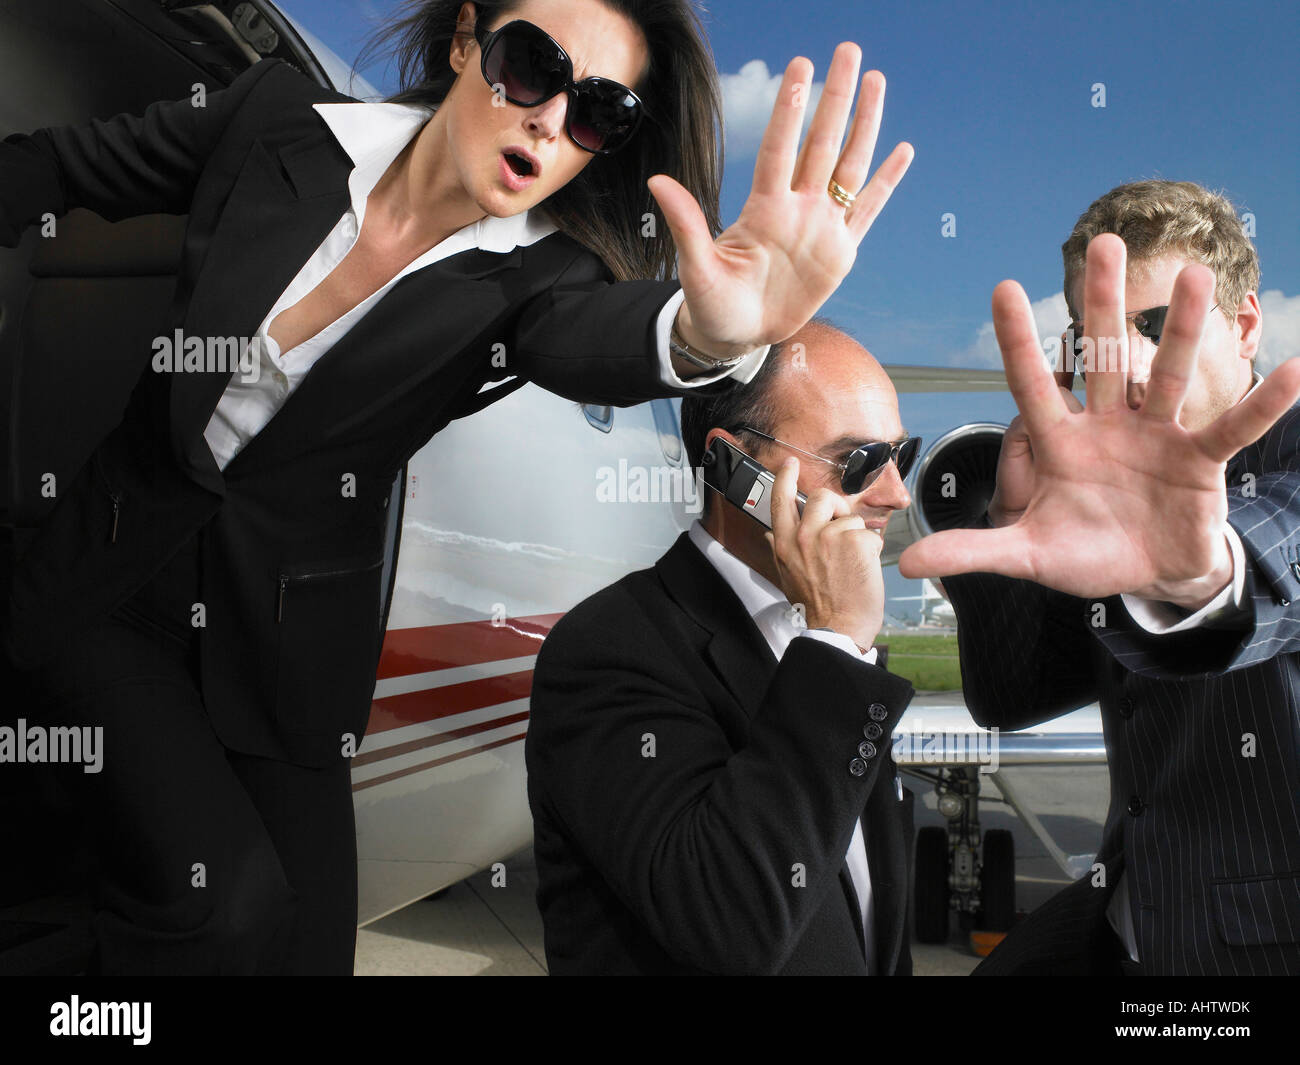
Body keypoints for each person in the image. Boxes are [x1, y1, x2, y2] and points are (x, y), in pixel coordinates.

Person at [0, 0, 913, 973]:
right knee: (224, 909)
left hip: (283, 652)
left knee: (310, 949)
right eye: (532, 67)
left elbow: (593, 340)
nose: (552, 120)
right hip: (114, 581)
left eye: (598, 112)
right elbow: (59, 172)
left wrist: (705, 336)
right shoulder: (273, 123)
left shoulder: (537, 280)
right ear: (466, 40)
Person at [900, 180, 1300, 975]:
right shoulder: (1097, 497)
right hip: (1126, 909)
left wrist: (1199, 575)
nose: (1137, 365)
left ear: (1246, 324)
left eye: (1158, 327)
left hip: (1255, 933)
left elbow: (1275, 558)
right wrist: (1007, 531)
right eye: (1102, 340)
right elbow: (1013, 697)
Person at [526, 321, 919, 974]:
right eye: (860, 463)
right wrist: (839, 645)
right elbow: (729, 923)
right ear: (735, 468)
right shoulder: (608, 651)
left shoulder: (827, 638)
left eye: (902, 456)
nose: (898, 493)